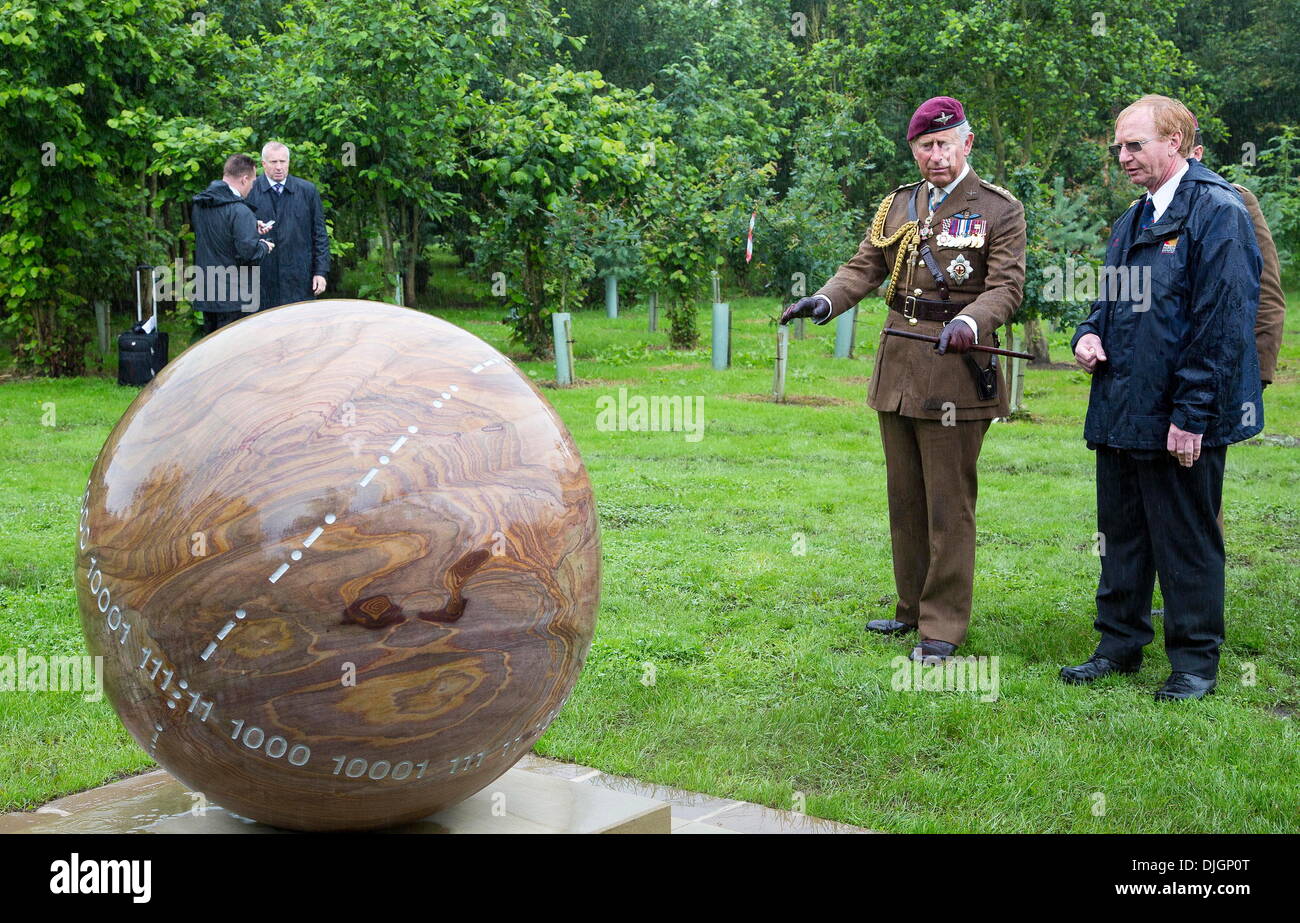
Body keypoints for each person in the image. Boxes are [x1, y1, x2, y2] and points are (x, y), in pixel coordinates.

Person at [781, 96, 1027, 664]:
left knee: (948, 503)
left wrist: (971, 321)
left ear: (967, 144)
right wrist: (825, 299)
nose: (935, 156)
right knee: (906, 500)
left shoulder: (997, 209)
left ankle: (942, 627)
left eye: (945, 144)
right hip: (900, 368)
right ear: (913, 150)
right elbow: (865, 266)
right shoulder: (899, 204)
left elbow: (1007, 287)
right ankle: (911, 607)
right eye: (924, 147)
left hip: (958, 371)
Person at [1063, 95, 1263, 701]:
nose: (1123, 156)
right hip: (1121, 409)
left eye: (1135, 145)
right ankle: (1118, 646)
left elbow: (1223, 324)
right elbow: (1106, 303)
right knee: (1121, 535)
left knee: (1186, 540)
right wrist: (1088, 333)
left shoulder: (1218, 212)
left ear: (1175, 142)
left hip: (1182, 417)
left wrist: (1191, 416)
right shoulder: (1132, 219)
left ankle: (1195, 664)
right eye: (1119, 146)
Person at [1189, 124, 1285, 389]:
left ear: (1197, 153)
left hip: (1217, 370)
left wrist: (1259, 373)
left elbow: (1266, 291)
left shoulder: (1234, 202)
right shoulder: (1144, 210)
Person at [191, 154, 274, 334]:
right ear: (244, 179)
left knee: (210, 350)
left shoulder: (201, 204)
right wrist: (264, 246)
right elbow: (248, 254)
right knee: (233, 354)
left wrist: (250, 227)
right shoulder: (239, 210)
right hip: (233, 296)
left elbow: (219, 236)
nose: (251, 187)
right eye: (252, 182)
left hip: (207, 291)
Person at [247, 141, 330, 309]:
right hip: (261, 280)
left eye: (282, 162)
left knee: (300, 330)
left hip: (299, 278)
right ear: (263, 164)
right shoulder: (250, 190)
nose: (279, 167)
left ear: (289, 162)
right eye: (273, 162)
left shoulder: (307, 191)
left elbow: (319, 234)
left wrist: (320, 272)